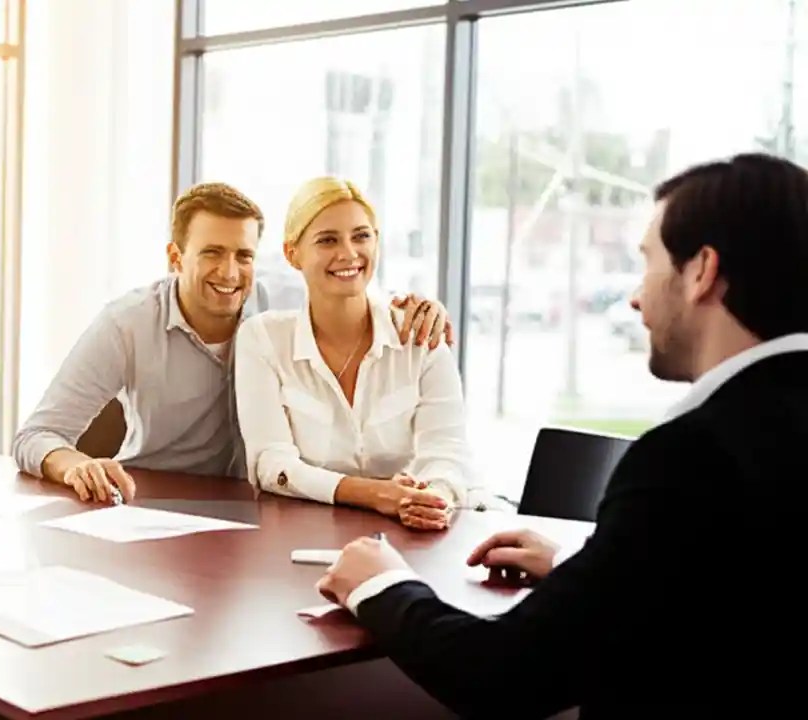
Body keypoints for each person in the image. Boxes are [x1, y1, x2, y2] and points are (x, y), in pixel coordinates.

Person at [315, 153, 805, 716]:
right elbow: (731, 595)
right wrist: (597, 571)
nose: (635, 297)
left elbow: (506, 674)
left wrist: (380, 585)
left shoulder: (689, 457)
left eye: (648, 263)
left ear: (701, 272)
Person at [11, 181, 454, 504]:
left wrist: (419, 309)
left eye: (243, 256)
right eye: (211, 253)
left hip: (262, 506)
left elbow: (341, 284)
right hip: (157, 502)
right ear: (175, 257)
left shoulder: (276, 309)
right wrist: (75, 465)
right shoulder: (126, 324)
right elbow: (37, 434)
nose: (230, 273)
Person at [234, 177, 470, 530]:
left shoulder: (420, 336)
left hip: (420, 531)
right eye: (327, 240)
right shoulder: (264, 338)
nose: (348, 253)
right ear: (292, 253)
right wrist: (375, 495)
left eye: (361, 236)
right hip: (307, 532)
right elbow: (272, 465)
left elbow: (447, 453)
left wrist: (432, 499)